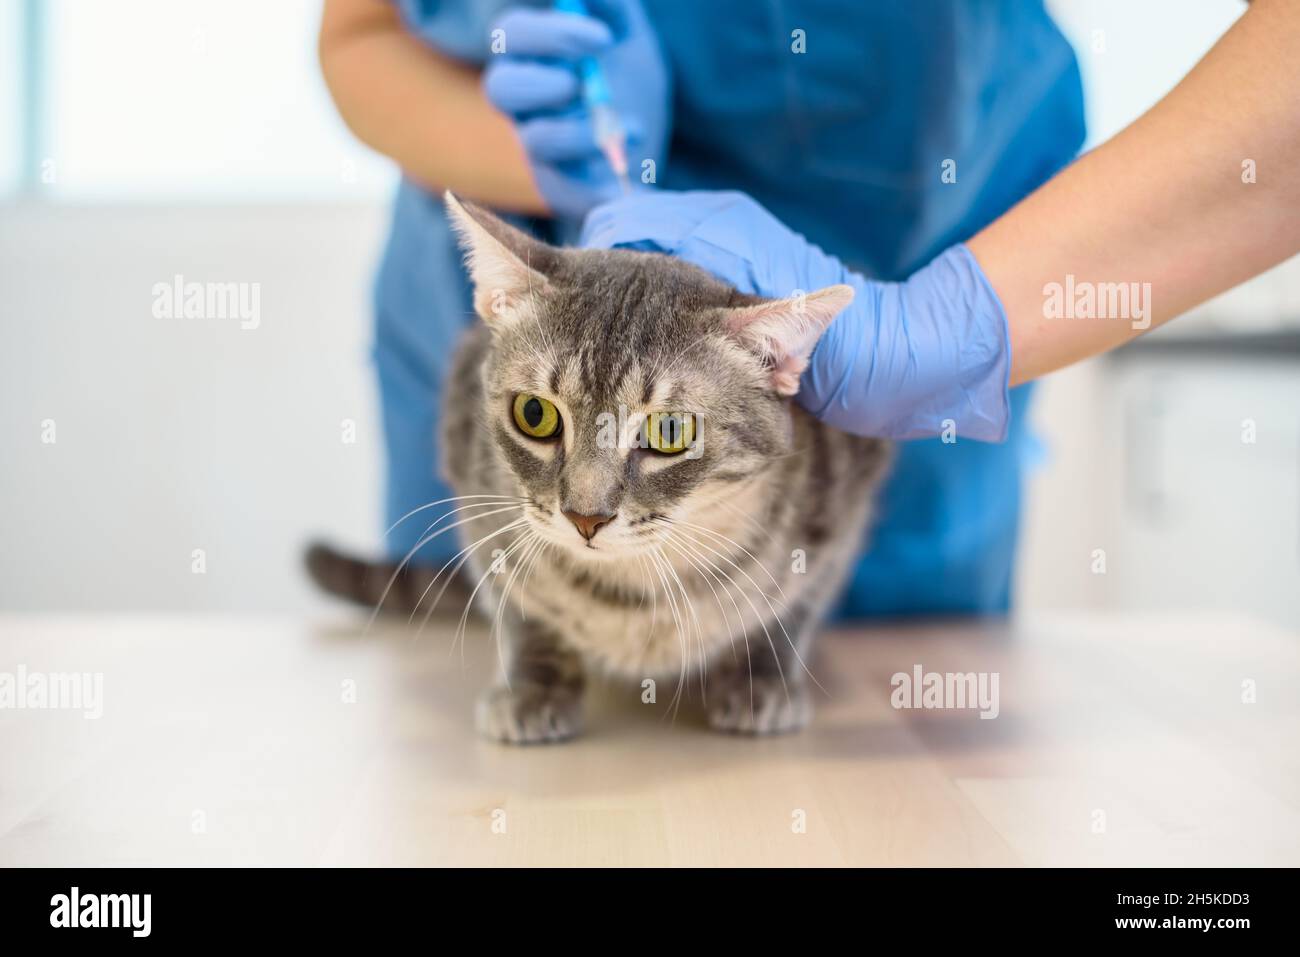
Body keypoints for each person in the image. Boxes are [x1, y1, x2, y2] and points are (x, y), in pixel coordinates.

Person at [313, 0, 1299, 617]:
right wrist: (529, 151)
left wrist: (946, 328)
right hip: (527, 316)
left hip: (937, 262)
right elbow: (359, 33)